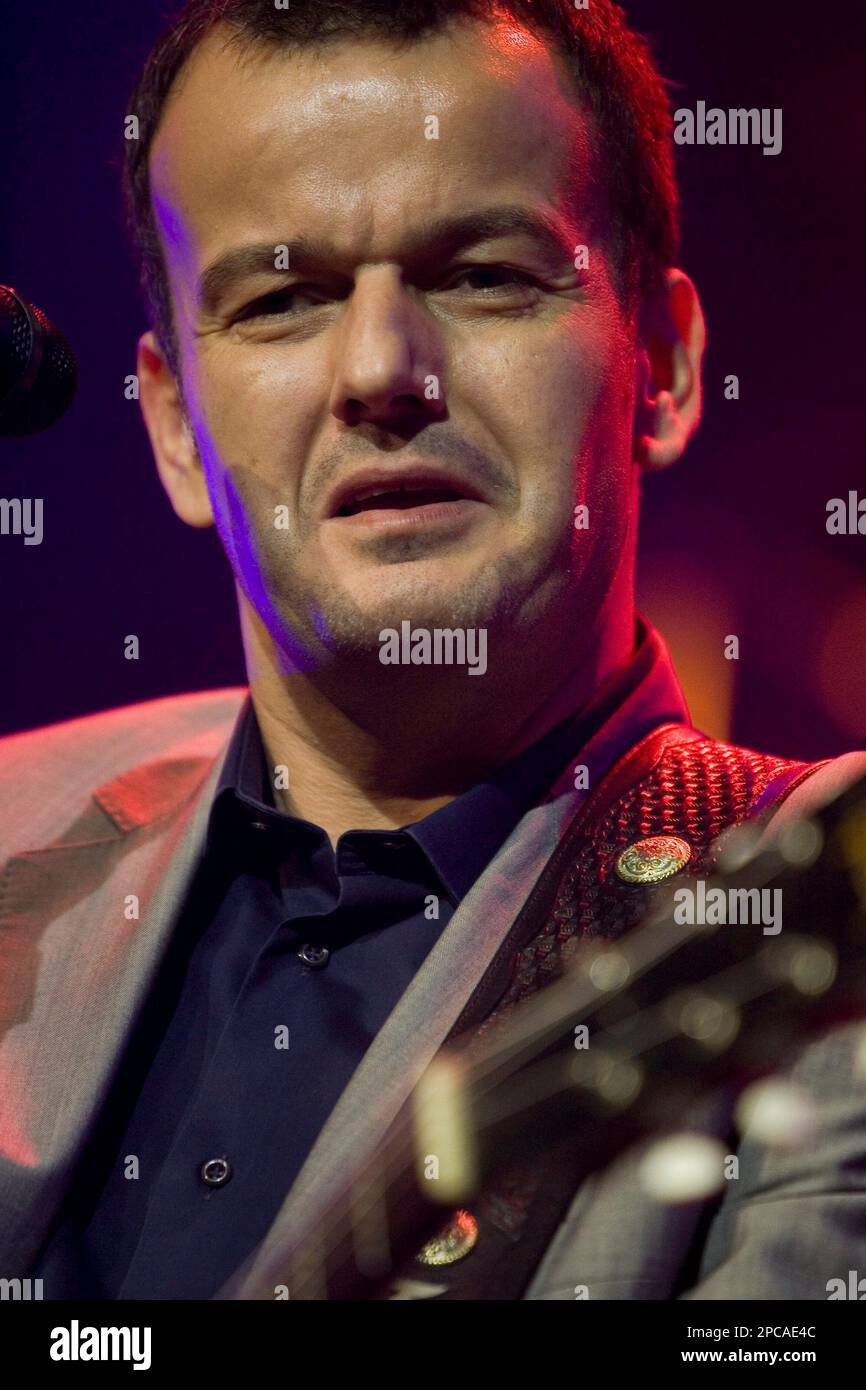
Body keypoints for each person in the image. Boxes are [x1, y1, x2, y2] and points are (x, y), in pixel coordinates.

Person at [2, 0, 864, 1301]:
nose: (381, 368)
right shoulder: (21, 832)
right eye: (283, 297)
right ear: (174, 425)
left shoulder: (818, 922)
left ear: (665, 365)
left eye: (481, 276)